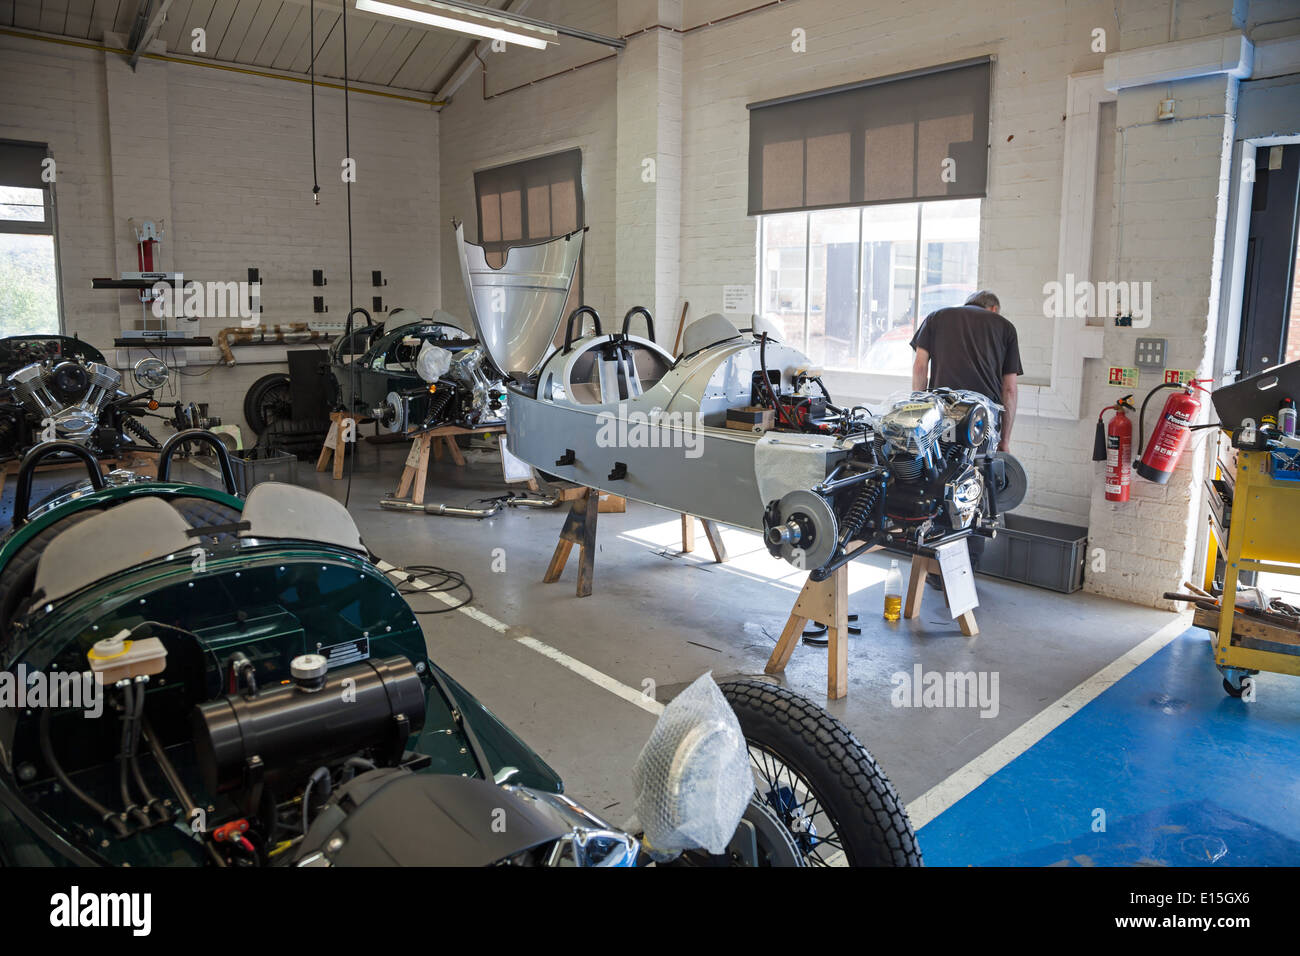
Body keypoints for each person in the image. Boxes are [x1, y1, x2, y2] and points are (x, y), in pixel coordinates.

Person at [909, 290, 1022, 586]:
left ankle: (932, 570)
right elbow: (1009, 389)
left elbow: (920, 367)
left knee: (935, 485)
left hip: (940, 416)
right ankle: (963, 575)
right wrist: (1005, 442)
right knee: (974, 494)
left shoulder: (936, 317)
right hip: (980, 424)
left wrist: (918, 414)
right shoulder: (1004, 327)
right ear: (993, 308)